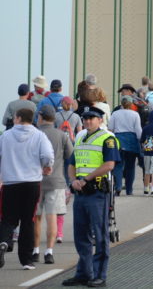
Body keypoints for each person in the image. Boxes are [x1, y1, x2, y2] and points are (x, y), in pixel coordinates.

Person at [63, 106, 119, 287]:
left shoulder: (107, 139)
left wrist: (85, 179)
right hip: (81, 191)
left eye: (91, 118)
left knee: (100, 235)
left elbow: (109, 164)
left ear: (100, 120)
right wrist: (73, 181)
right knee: (81, 235)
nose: (87, 121)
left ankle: (100, 275)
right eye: (85, 118)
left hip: (97, 192)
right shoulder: (80, 139)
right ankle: (84, 273)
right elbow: (72, 163)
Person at [0, 106, 54, 271]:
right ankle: (26, 260)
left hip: (10, 183)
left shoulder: (6, 136)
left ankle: (3, 242)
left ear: (17, 118)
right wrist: (47, 166)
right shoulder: (39, 135)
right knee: (27, 221)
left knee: (8, 218)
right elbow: (47, 155)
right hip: (31, 183)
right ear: (32, 119)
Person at [35, 105, 73, 265]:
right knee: (52, 217)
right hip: (56, 180)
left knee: (36, 218)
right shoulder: (62, 136)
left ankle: (35, 249)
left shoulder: (35, 135)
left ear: (41, 117)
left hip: (35, 181)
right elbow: (71, 156)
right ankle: (49, 251)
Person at [107, 95, 142, 196]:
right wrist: (140, 140)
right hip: (131, 140)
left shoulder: (115, 113)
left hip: (118, 140)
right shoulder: (135, 114)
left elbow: (110, 128)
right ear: (131, 104)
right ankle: (129, 189)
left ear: (121, 103)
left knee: (118, 165)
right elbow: (138, 131)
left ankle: (118, 186)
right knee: (130, 166)